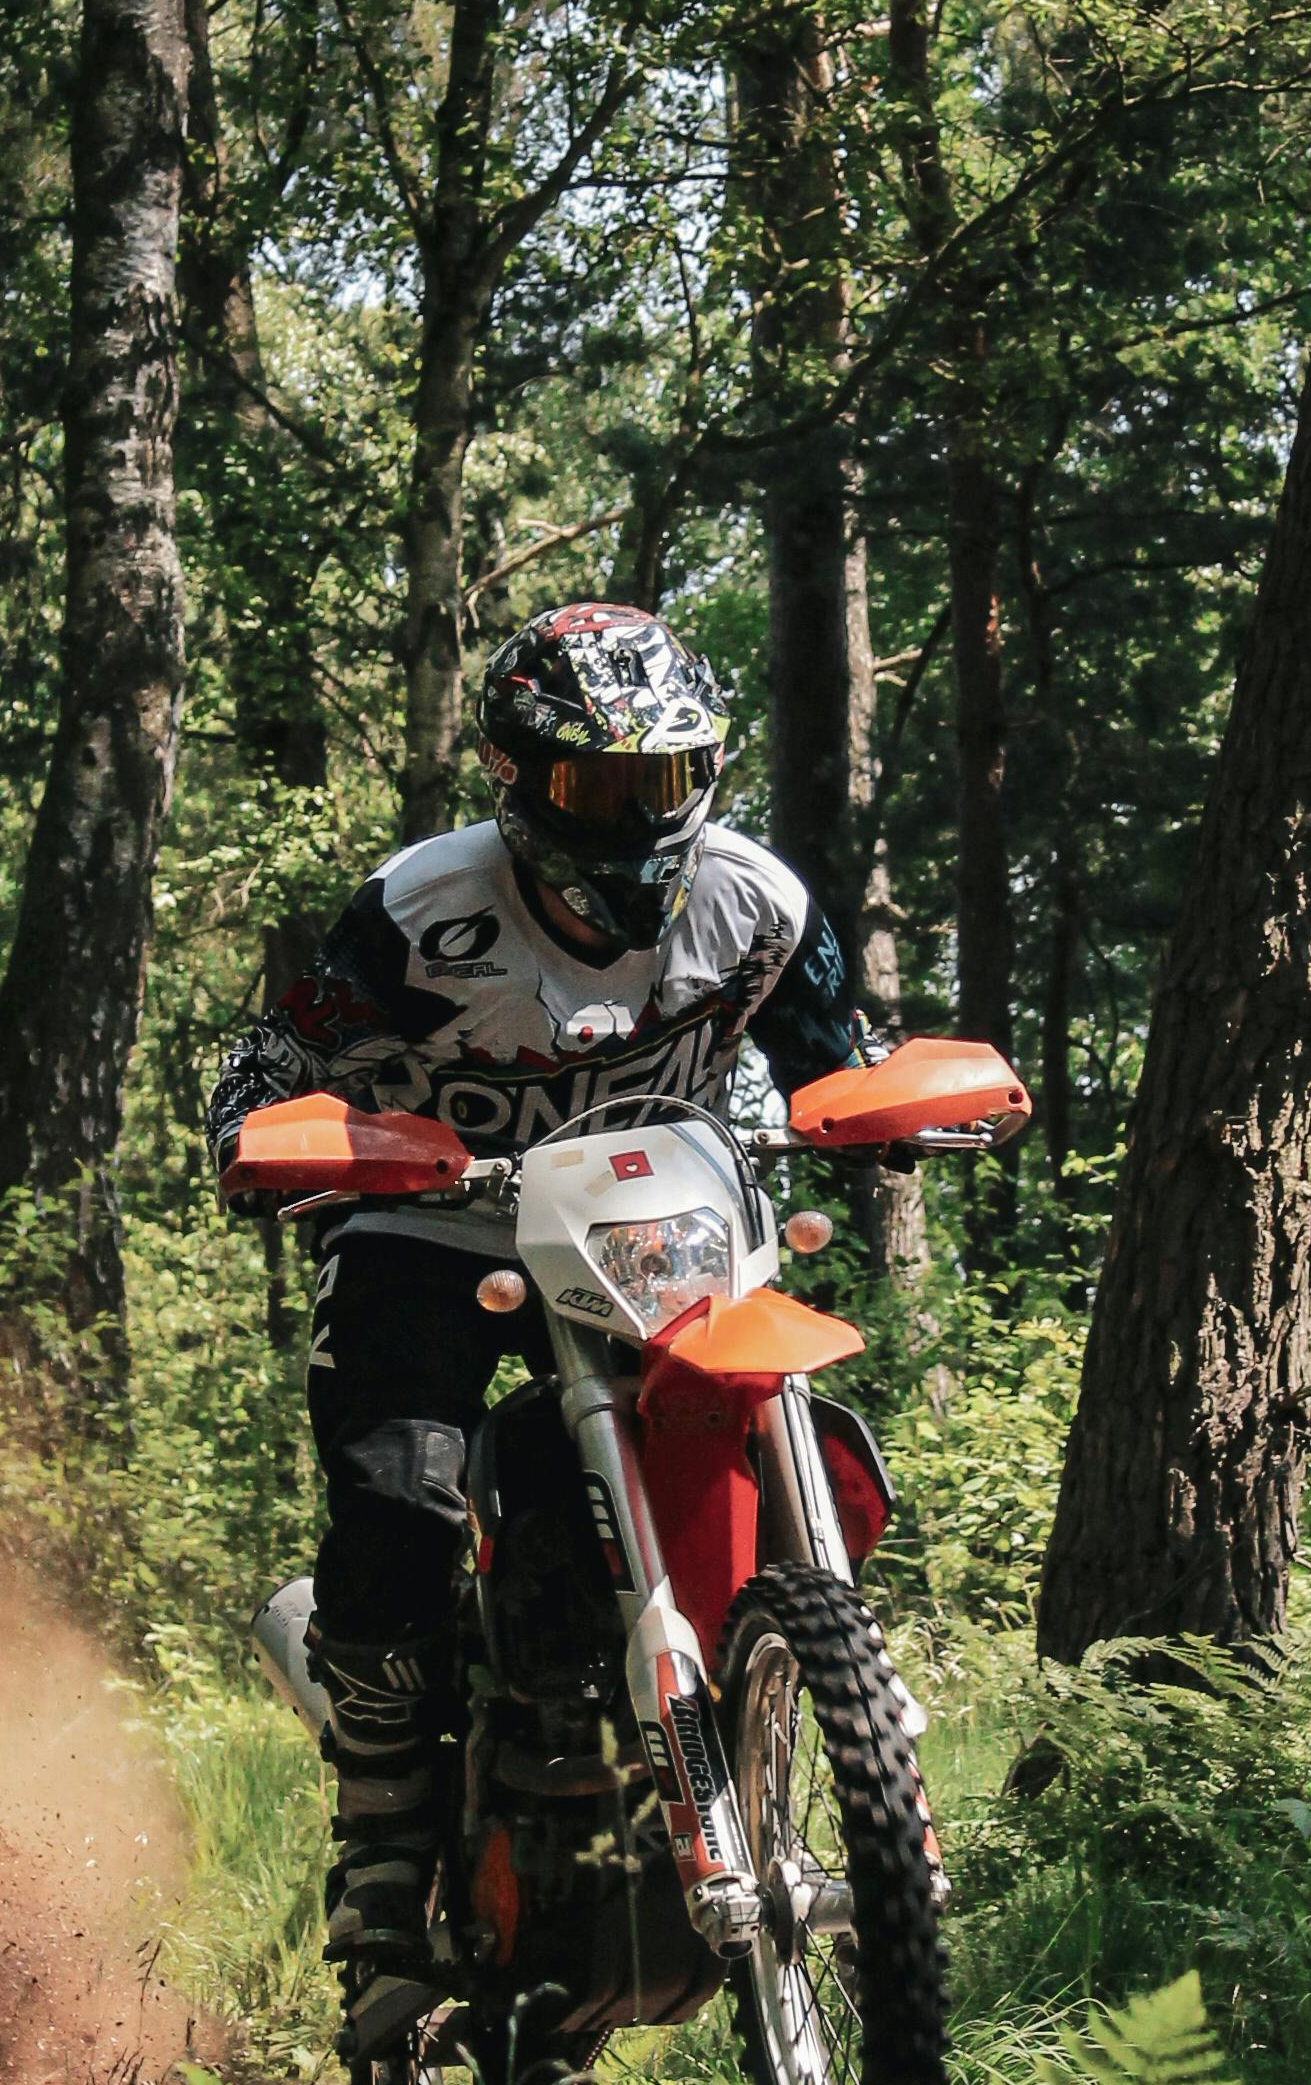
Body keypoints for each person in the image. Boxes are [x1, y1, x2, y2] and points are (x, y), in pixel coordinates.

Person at [207, 601, 866, 1976]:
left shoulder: (756, 902)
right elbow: (271, 1061)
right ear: (518, 780)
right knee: (400, 1491)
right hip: (437, 1225)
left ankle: (759, 1669)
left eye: (667, 779)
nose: (638, 816)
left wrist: (876, 1109)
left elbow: (836, 1061)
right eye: (600, 784)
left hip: (655, 1226)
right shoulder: (416, 916)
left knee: (774, 1411)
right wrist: (264, 1139)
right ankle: (384, 1832)